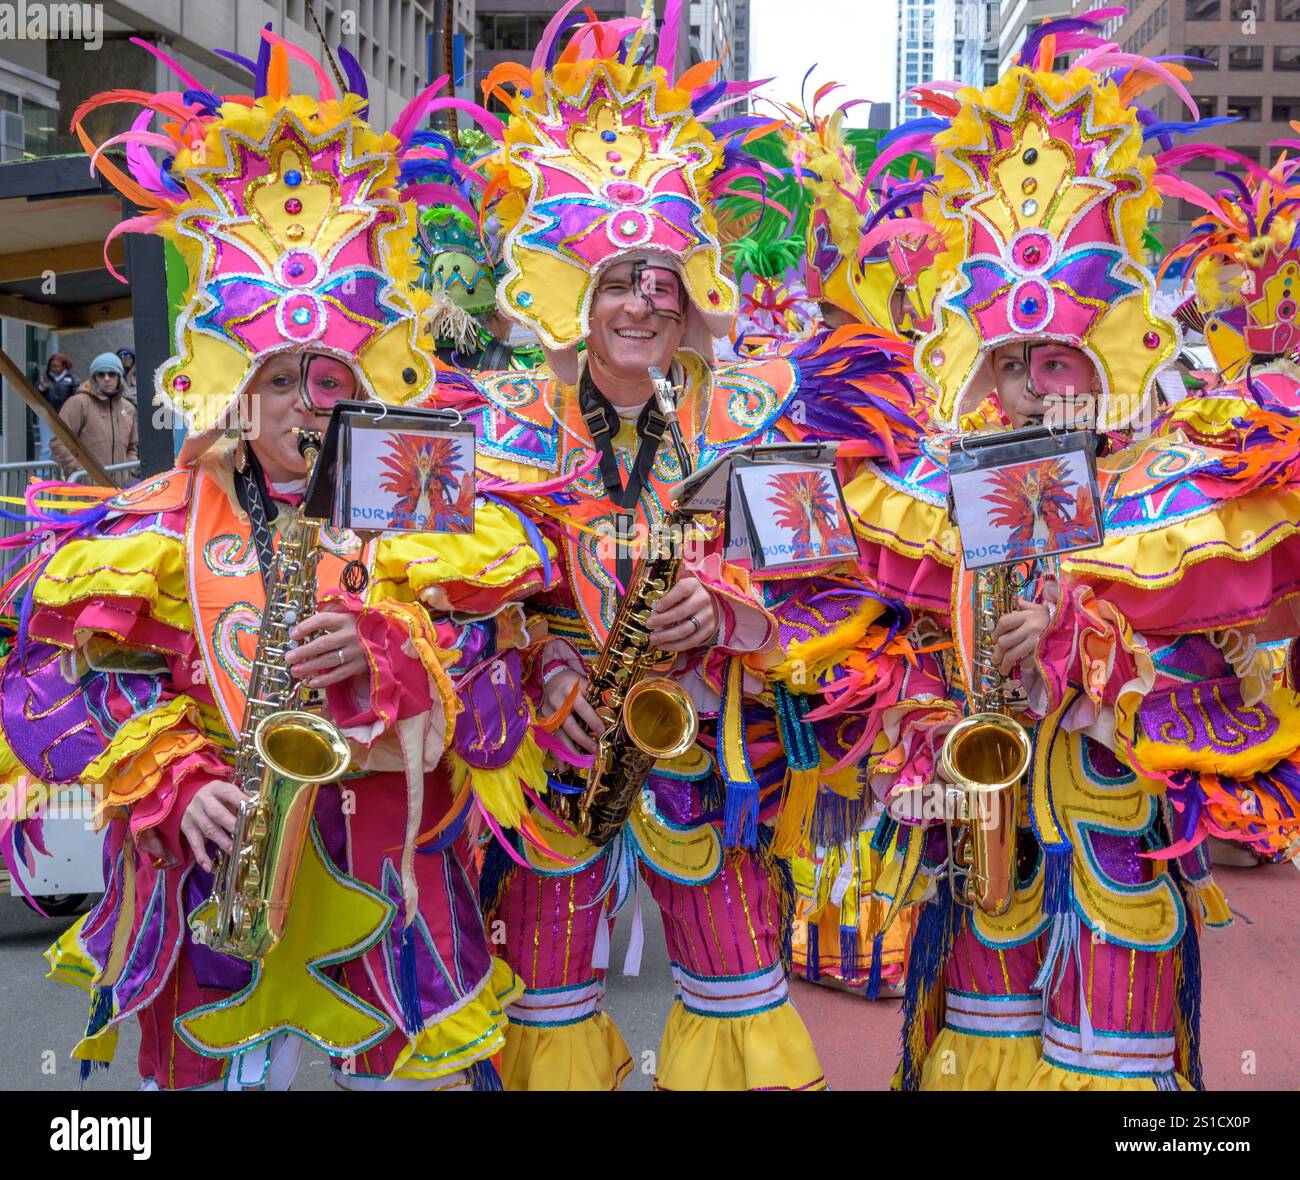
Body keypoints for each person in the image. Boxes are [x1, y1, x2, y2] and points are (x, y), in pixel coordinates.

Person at [0, 32, 552, 1091]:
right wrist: (166, 776)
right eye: (280, 375)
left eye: (330, 374)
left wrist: (390, 652)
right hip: (217, 878)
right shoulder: (158, 523)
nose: (307, 401)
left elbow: (497, 711)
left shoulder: (435, 512)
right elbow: (47, 690)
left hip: (388, 883)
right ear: (234, 389)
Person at [429, 5, 925, 1091]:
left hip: (704, 754)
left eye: (660, 283)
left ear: (689, 297)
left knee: (739, 988)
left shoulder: (751, 409)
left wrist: (725, 607)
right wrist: (548, 666)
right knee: (548, 1004)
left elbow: (824, 578)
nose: (640, 305)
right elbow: (444, 593)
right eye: (615, 283)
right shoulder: (500, 420)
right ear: (574, 298)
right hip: (562, 761)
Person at [844, 11, 1300, 1090]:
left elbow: (1228, 696)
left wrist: (1085, 647)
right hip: (978, 852)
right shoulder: (925, 494)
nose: (1022, 390)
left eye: (1053, 363)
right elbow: (871, 650)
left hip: (1112, 851)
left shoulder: (1178, 494)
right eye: (1005, 364)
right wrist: (924, 710)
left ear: (1102, 365)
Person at [49, 352, 138, 484]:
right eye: (101, 374)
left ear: (119, 377)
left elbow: (132, 446)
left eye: (112, 374)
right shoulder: (79, 403)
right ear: (94, 377)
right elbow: (58, 441)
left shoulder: (128, 408)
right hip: (86, 489)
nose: (107, 379)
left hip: (120, 490)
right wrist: (79, 470)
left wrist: (129, 468)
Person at [32, 352, 78, 464]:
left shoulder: (72, 379)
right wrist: (42, 388)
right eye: (52, 366)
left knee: (66, 446)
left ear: (63, 366)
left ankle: (65, 473)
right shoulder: (44, 379)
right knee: (46, 449)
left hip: (65, 417)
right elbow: (35, 396)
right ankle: (42, 476)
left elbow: (77, 397)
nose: (54, 368)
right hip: (47, 416)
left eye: (57, 366)